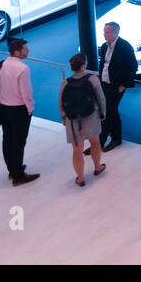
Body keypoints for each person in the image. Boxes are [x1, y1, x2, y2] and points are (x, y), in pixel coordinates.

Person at [0, 37, 39, 186]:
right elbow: (26, 93)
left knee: (8, 140)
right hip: (19, 110)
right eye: (25, 49)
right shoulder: (23, 69)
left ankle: (12, 169)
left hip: (3, 108)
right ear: (17, 53)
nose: (28, 51)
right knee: (19, 142)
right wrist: (30, 109)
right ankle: (18, 175)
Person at [58, 53, 107, 187]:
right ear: (84, 65)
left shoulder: (66, 83)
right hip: (91, 117)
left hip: (73, 121)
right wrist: (103, 113)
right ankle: (97, 167)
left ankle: (80, 178)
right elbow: (101, 98)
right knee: (95, 143)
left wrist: (64, 119)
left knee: (77, 150)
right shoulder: (93, 79)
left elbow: (61, 104)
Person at [95, 21, 137, 153]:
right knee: (112, 111)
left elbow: (133, 67)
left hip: (116, 86)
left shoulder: (125, 47)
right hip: (104, 84)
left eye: (107, 32)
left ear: (115, 32)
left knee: (107, 113)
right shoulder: (103, 46)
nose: (104, 34)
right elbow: (103, 65)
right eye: (104, 31)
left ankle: (99, 144)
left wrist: (124, 85)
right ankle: (116, 139)